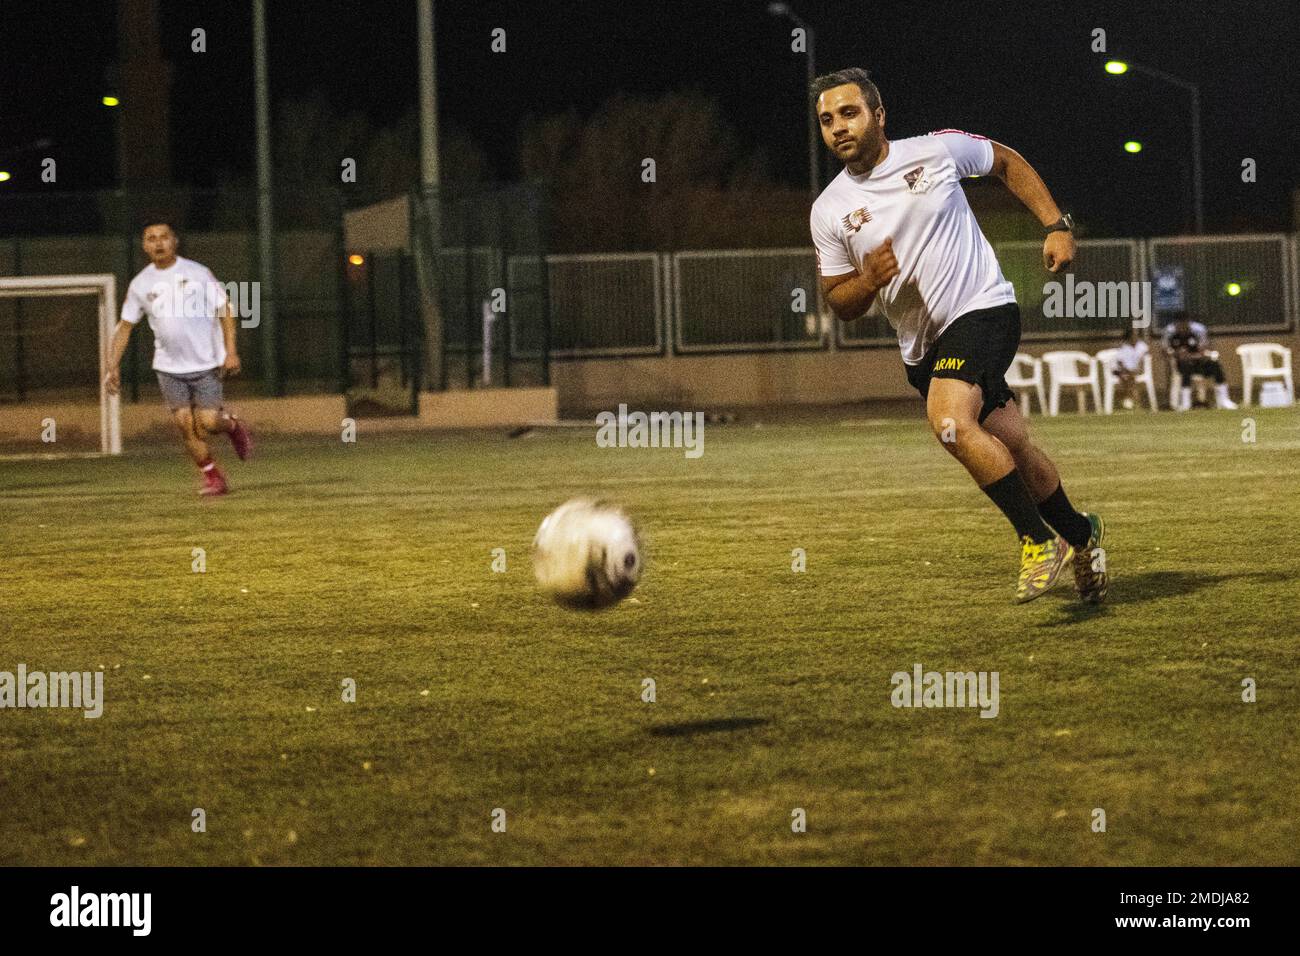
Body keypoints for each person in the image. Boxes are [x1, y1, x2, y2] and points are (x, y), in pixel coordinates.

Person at [809, 68, 1107, 604]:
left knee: (949, 423)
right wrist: (869, 280)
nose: (838, 128)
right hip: (922, 347)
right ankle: (1082, 533)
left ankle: (1039, 542)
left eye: (849, 113)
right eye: (827, 120)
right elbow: (838, 301)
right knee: (1012, 444)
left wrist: (1055, 224)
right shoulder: (828, 210)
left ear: (879, 116)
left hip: (984, 308)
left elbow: (1006, 162)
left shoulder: (938, 150)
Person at [105, 221, 253, 496]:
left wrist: (231, 351)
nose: (158, 243)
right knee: (186, 425)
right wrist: (112, 366)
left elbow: (225, 310)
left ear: (174, 241)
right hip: (168, 368)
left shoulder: (197, 273)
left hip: (206, 362)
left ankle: (231, 425)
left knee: (208, 423)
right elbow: (125, 326)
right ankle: (213, 478)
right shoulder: (140, 284)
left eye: (164, 237)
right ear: (144, 245)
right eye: (151, 238)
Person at [1162, 314, 1237, 410]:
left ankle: (1224, 400)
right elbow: (1170, 353)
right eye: (1180, 325)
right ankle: (1186, 403)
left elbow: (1202, 350)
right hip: (1182, 366)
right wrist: (1178, 354)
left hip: (1197, 364)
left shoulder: (1194, 335)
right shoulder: (1173, 337)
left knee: (1215, 365)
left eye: (1185, 324)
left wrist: (1192, 356)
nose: (1183, 327)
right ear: (1176, 325)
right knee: (1185, 367)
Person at [1112, 326, 1149, 410]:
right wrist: (1126, 371)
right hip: (1121, 370)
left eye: (1136, 336)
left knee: (1129, 378)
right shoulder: (1124, 348)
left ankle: (1128, 400)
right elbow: (1120, 363)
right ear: (1128, 338)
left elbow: (1145, 357)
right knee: (1127, 377)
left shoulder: (1141, 345)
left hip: (1134, 370)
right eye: (1132, 336)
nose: (1135, 338)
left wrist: (1138, 367)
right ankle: (1135, 402)